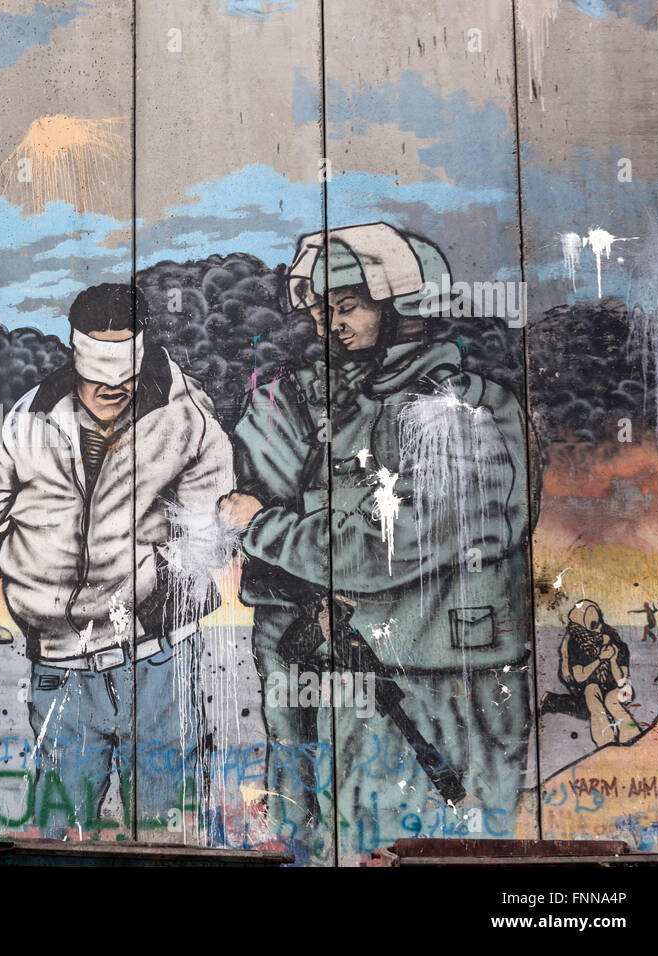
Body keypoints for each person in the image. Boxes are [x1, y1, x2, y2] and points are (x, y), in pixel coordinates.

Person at [220, 222, 536, 858]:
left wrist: (264, 526)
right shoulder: (347, 407)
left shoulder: (464, 413)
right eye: (320, 310)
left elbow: (387, 545)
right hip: (364, 681)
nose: (327, 324)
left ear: (405, 307)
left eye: (348, 306)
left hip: (448, 689)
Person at [0, 282, 233, 836]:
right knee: (59, 836)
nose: (112, 386)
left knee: (166, 830)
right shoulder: (29, 421)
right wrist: (35, 593)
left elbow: (209, 526)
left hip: (154, 660)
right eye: (98, 369)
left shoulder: (183, 417)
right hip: (59, 663)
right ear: (75, 352)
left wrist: (154, 591)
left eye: (124, 369)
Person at [547, 599, 640, 746]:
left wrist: (613, 659)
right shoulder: (575, 644)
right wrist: (599, 659)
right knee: (591, 691)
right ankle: (605, 741)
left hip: (619, 689)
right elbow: (579, 677)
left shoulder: (614, 642)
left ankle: (631, 734)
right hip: (585, 690)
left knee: (611, 700)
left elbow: (622, 681)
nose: (597, 630)